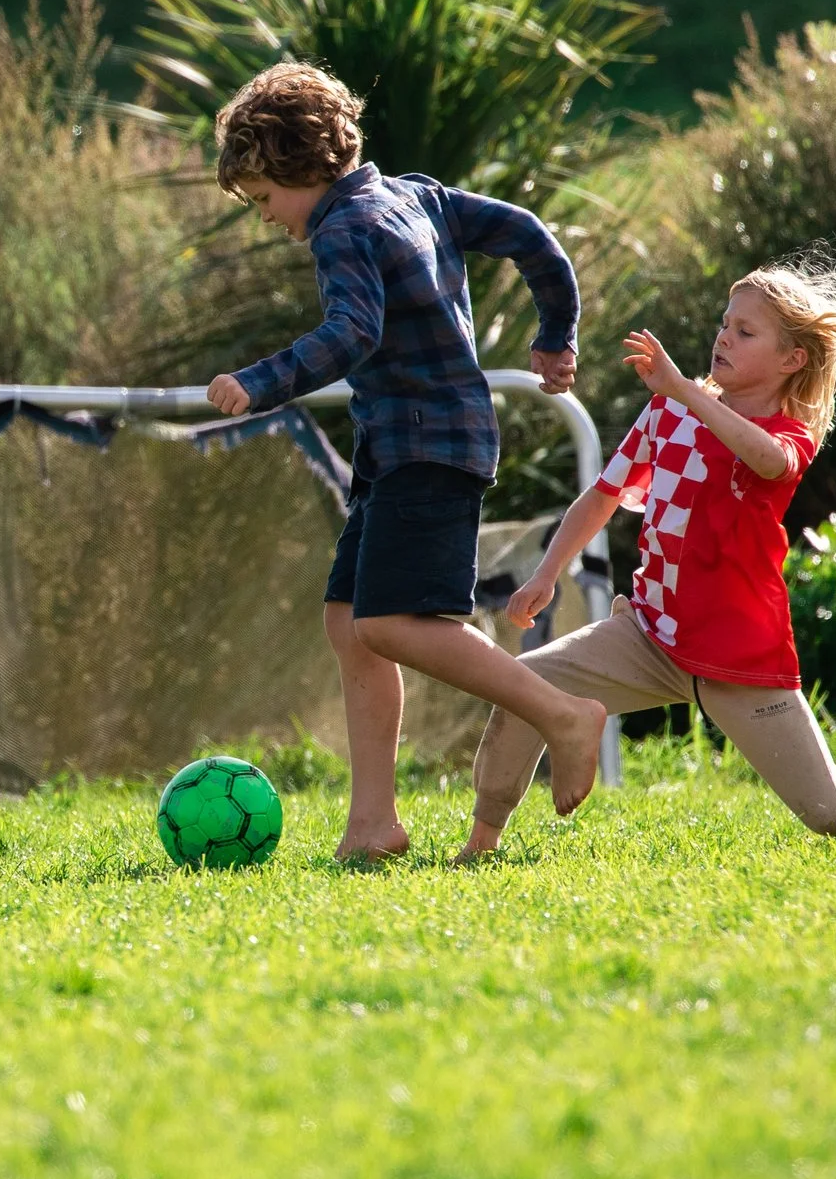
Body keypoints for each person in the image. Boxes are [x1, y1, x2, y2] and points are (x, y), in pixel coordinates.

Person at [461, 254, 836, 860]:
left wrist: (682, 389)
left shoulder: (788, 435)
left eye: (745, 331)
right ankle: (482, 843)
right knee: (525, 683)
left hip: (738, 658)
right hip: (649, 633)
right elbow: (601, 496)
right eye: (726, 323)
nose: (724, 336)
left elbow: (768, 462)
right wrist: (546, 574)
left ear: (791, 360)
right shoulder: (668, 411)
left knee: (831, 811)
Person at [202, 62, 610, 863]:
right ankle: (373, 824)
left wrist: (260, 382)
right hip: (408, 444)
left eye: (263, 199)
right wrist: (557, 330)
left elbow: (352, 332)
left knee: (389, 622)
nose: (266, 219)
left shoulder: (341, 228)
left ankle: (563, 713)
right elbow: (529, 235)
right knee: (350, 624)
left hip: (429, 441)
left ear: (297, 163)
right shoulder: (413, 193)